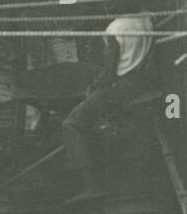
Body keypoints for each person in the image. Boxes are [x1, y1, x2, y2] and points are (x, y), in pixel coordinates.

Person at [61, 14, 156, 203]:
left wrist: (93, 86)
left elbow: (109, 73)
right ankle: (88, 157)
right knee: (91, 114)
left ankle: (91, 187)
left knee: (71, 125)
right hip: (139, 83)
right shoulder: (145, 21)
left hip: (118, 88)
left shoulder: (116, 28)